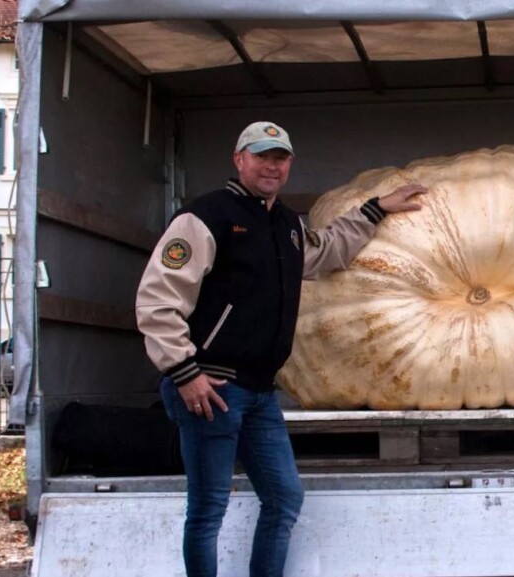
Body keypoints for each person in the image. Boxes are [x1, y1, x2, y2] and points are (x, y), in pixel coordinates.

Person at [135, 121, 426, 577]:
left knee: (284, 497)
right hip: (211, 387)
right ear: (239, 159)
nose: (271, 166)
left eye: (280, 158)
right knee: (208, 509)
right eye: (261, 156)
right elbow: (157, 299)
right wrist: (184, 372)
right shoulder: (205, 217)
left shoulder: (285, 224)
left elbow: (326, 251)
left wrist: (374, 210)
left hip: (259, 392)